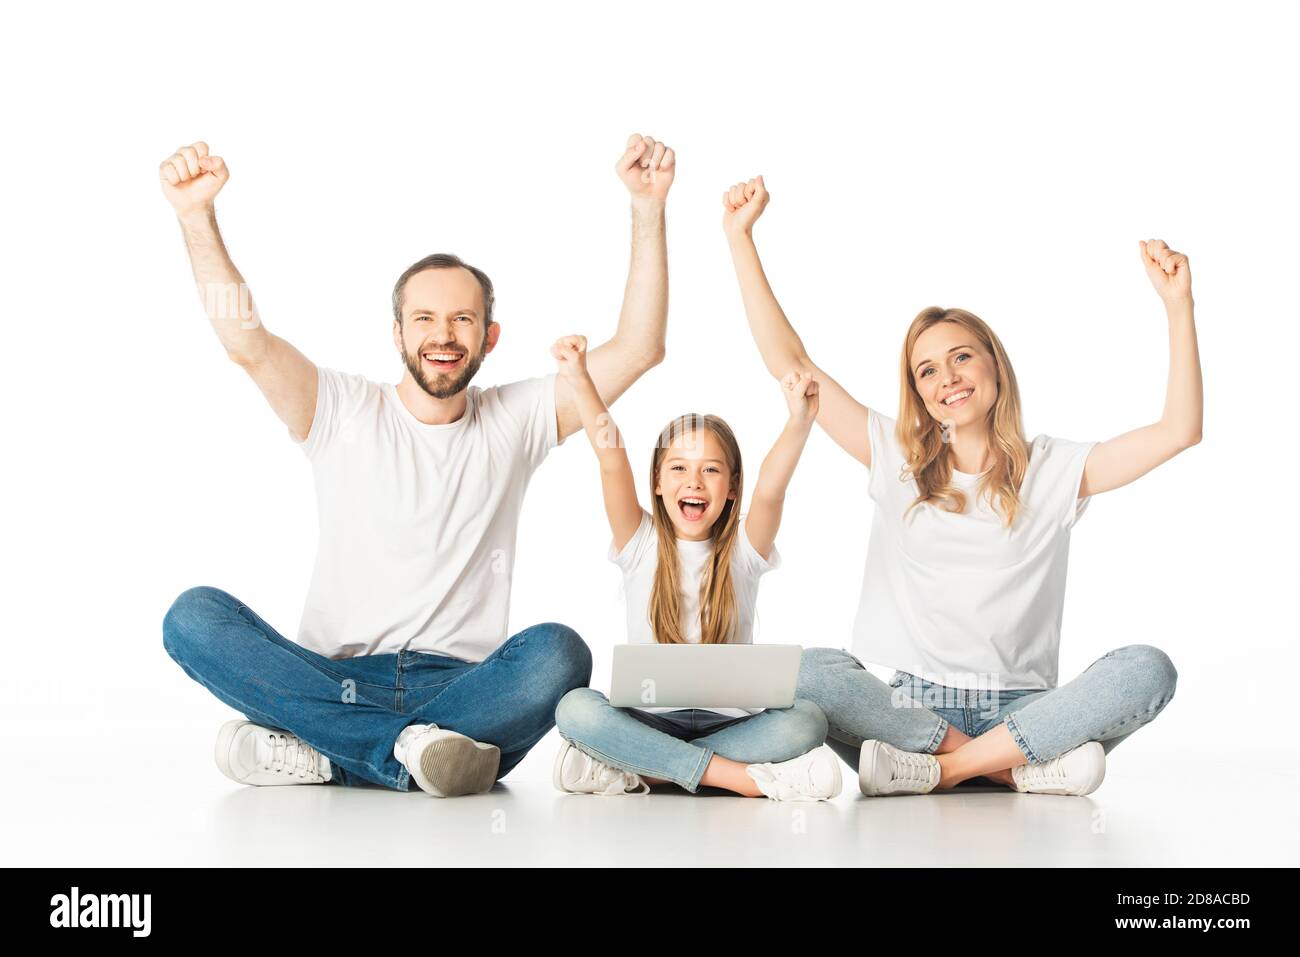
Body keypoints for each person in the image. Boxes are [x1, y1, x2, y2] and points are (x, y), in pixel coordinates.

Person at [158, 133, 675, 797]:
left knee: (559, 652)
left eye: (462, 319)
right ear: (397, 333)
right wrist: (196, 215)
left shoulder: (516, 418)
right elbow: (247, 343)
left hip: (463, 687)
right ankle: (406, 751)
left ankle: (332, 755)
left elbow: (638, 349)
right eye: (424, 318)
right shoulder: (339, 407)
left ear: (489, 337)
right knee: (192, 617)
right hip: (329, 676)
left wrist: (647, 207)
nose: (443, 334)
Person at [723, 174, 1199, 797]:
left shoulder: (1054, 468)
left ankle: (946, 773)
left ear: (994, 364)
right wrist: (740, 238)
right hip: (915, 715)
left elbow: (1179, 430)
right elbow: (795, 367)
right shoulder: (897, 457)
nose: (947, 376)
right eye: (927, 370)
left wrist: (1178, 305)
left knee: (1147, 669)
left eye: (961, 357)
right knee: (809, 673)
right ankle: (1009, 771)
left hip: (1025, 715)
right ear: (919, 394)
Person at [548, 334, 842, 801]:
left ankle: (639, 768)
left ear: (730, 488)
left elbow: (770, 490)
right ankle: (735, 778)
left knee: (808, 719)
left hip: (731, 723)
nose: (694, 482)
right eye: (679, 468)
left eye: (710, 469)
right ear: (659, 483)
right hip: (646, 717)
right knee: (575, 709)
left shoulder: (745, 549)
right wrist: (581, 379)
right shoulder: (639, 543)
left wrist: (799, 421)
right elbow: (610, 458)